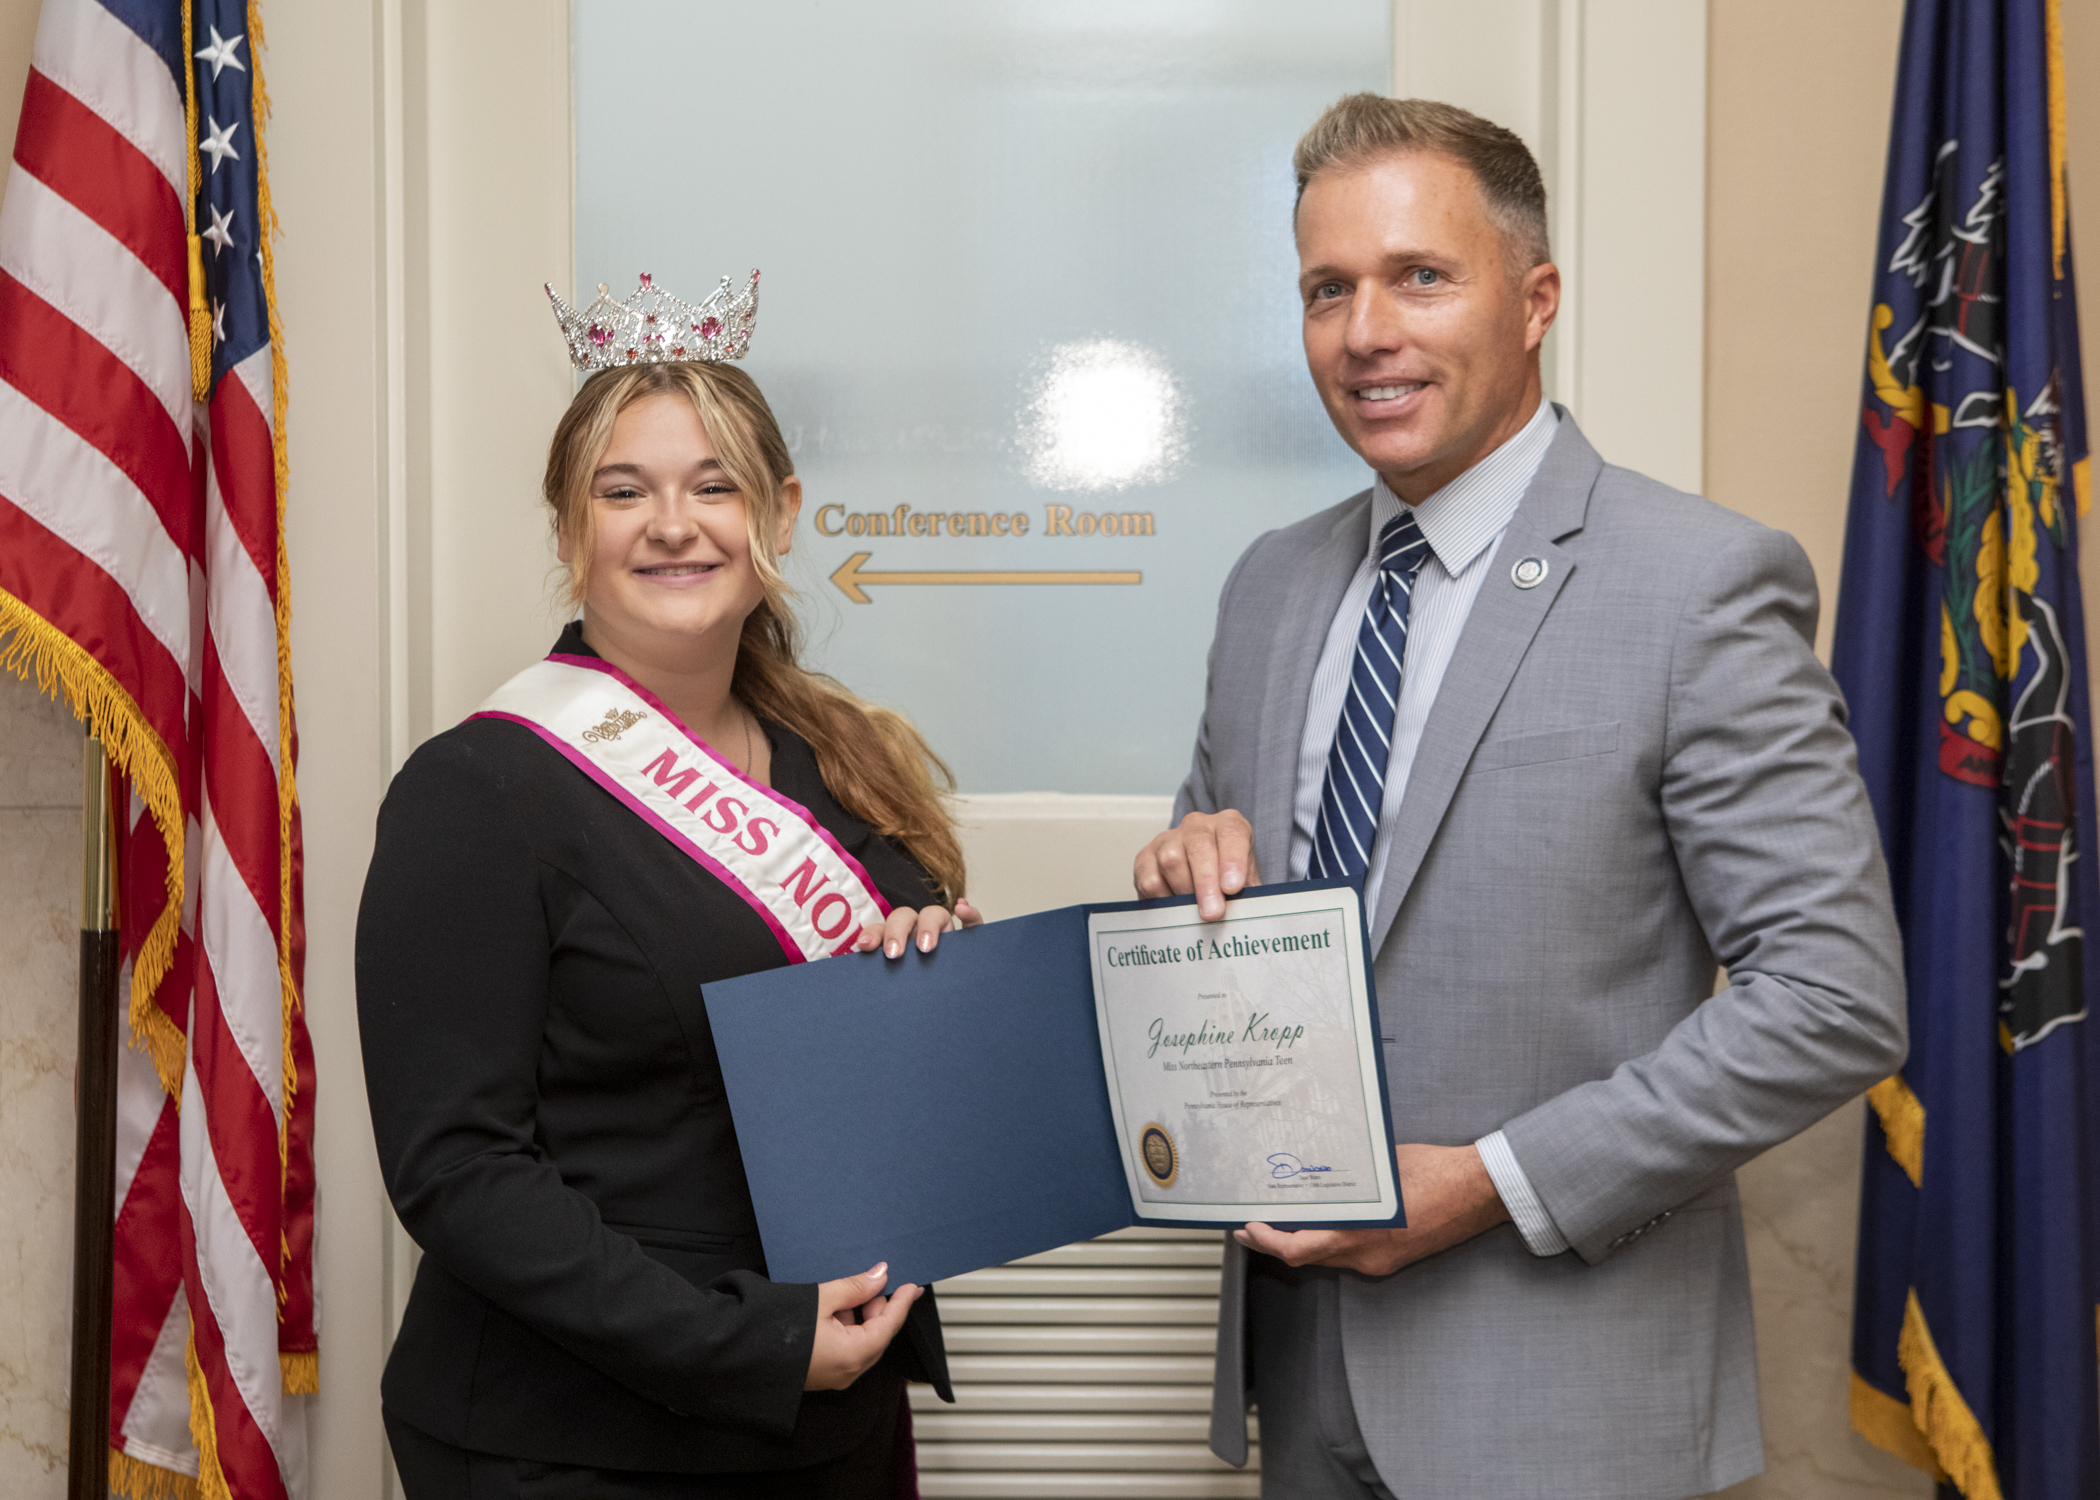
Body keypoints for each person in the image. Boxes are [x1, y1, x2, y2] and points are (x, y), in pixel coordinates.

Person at [1133, 95, 1907, 1499]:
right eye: (1328, 289)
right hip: (1304, 1385)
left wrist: (1490, 1180)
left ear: (1536, 297)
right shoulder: (1269, 588)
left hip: (1567, 1400)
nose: (1367, 331)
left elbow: (1835, 998)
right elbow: (1235, 907)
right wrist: (1185, 872)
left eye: (1421, 275)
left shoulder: (1698, 585)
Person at [358, 277, 977, 1498]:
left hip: (830, 1419)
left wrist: (938, 987)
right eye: (622, 489)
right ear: (565, 528)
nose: (672, 524)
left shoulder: (849, 768)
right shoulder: (477, 790)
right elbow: (460, 1170)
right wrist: (750, 1343)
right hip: (573, 1440)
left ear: (781, 516)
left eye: (715, 485)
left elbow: (908, 1101)